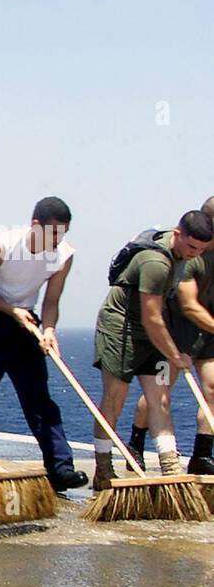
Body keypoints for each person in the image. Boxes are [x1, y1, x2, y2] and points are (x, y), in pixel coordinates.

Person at [0, 197, 88, 491]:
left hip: (26, 322)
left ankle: (61, 468)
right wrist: (11, 311)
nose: (58, 240)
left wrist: (49, 329)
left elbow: (51, 300)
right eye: (54, 233)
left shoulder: (64, 255)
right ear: (36, 226)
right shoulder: (1, 247)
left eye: (64, 234)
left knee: (38, 398)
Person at [90, 210, 214, 488]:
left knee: (161, 399)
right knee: (114, 400)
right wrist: (175, 355)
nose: (196, 254)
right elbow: (152, 317)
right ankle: (103, 468)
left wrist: (171, 352)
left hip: (153, 334)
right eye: (192, 247)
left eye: (202, 249)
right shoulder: (156, 262)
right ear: (178, 234)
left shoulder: (185, 254)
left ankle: (170, 469)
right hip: (121, 328)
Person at [128, 195, 214, 473]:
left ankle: (202, 456)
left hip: (208, 336)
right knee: (160, 394)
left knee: (213, 389)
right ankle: (135, 444)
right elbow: (188, 305)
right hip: (175, 337)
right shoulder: (191, 256)